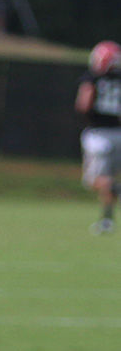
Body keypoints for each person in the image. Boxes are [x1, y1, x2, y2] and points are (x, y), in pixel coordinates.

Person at [75, 40, 121, 234]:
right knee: (108, 180)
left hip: (98, 135)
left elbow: (84, 103)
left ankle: (116, 192)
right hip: (119, 133)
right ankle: (107, 221)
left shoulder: (92, 77)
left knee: (93, 181)